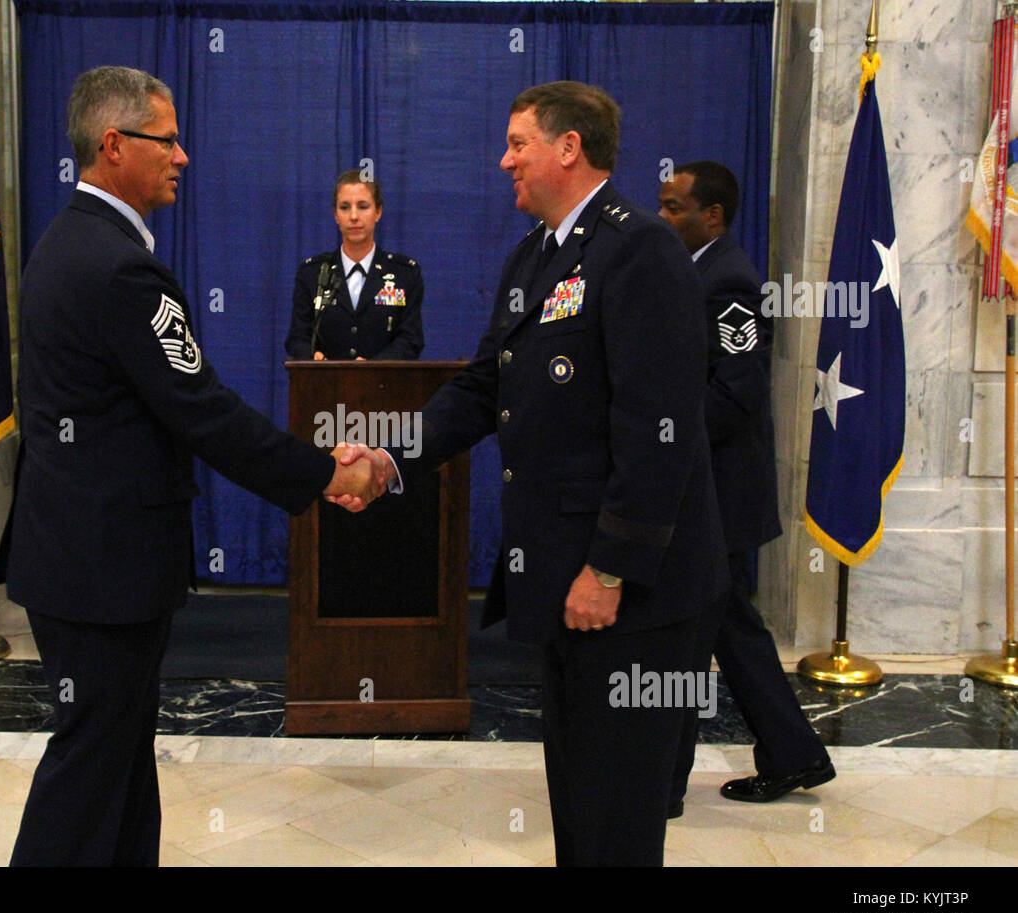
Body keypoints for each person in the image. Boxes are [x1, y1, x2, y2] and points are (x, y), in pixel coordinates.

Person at [0, 66, 379, 866]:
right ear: (112, 145)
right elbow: (202, 410)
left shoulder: (71, 241)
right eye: (165, 140)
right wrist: (326, 476)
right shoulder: (118, 266)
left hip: (80, 554)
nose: (182, 156)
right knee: (93, 762)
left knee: (121, 753)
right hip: (101, 566)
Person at [339, 82, 728, 866]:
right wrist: (388, 453)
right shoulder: (535, 255)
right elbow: (485, 387)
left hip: (627, 591)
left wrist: (610, 568)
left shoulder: (639, 249)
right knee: (579, 789)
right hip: (562, 574)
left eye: (518, 143)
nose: (504, 159)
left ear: (568, 148)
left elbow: (662, 430)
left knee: (620, 807)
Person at [659, 161, 833, 809]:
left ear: (713, 216)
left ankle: (664, 787)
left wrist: (665, 442)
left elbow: (737, 394)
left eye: (675, 207)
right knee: (730, 632)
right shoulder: (700, 271)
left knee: (688, 639)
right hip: (709, 495)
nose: (663, 217)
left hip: (719, 497)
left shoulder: (727, 280)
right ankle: (794, 754)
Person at [284, 171, 424, 361]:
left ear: (378, 211)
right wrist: (312, 357)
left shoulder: (404, 274)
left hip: (385, 385)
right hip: (325, 384)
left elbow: (411, 339)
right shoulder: (313, 273)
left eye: (363, 206)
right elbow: (297, 337)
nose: (354, 216)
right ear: (335, 215)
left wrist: (372, 368)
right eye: (344, 207)